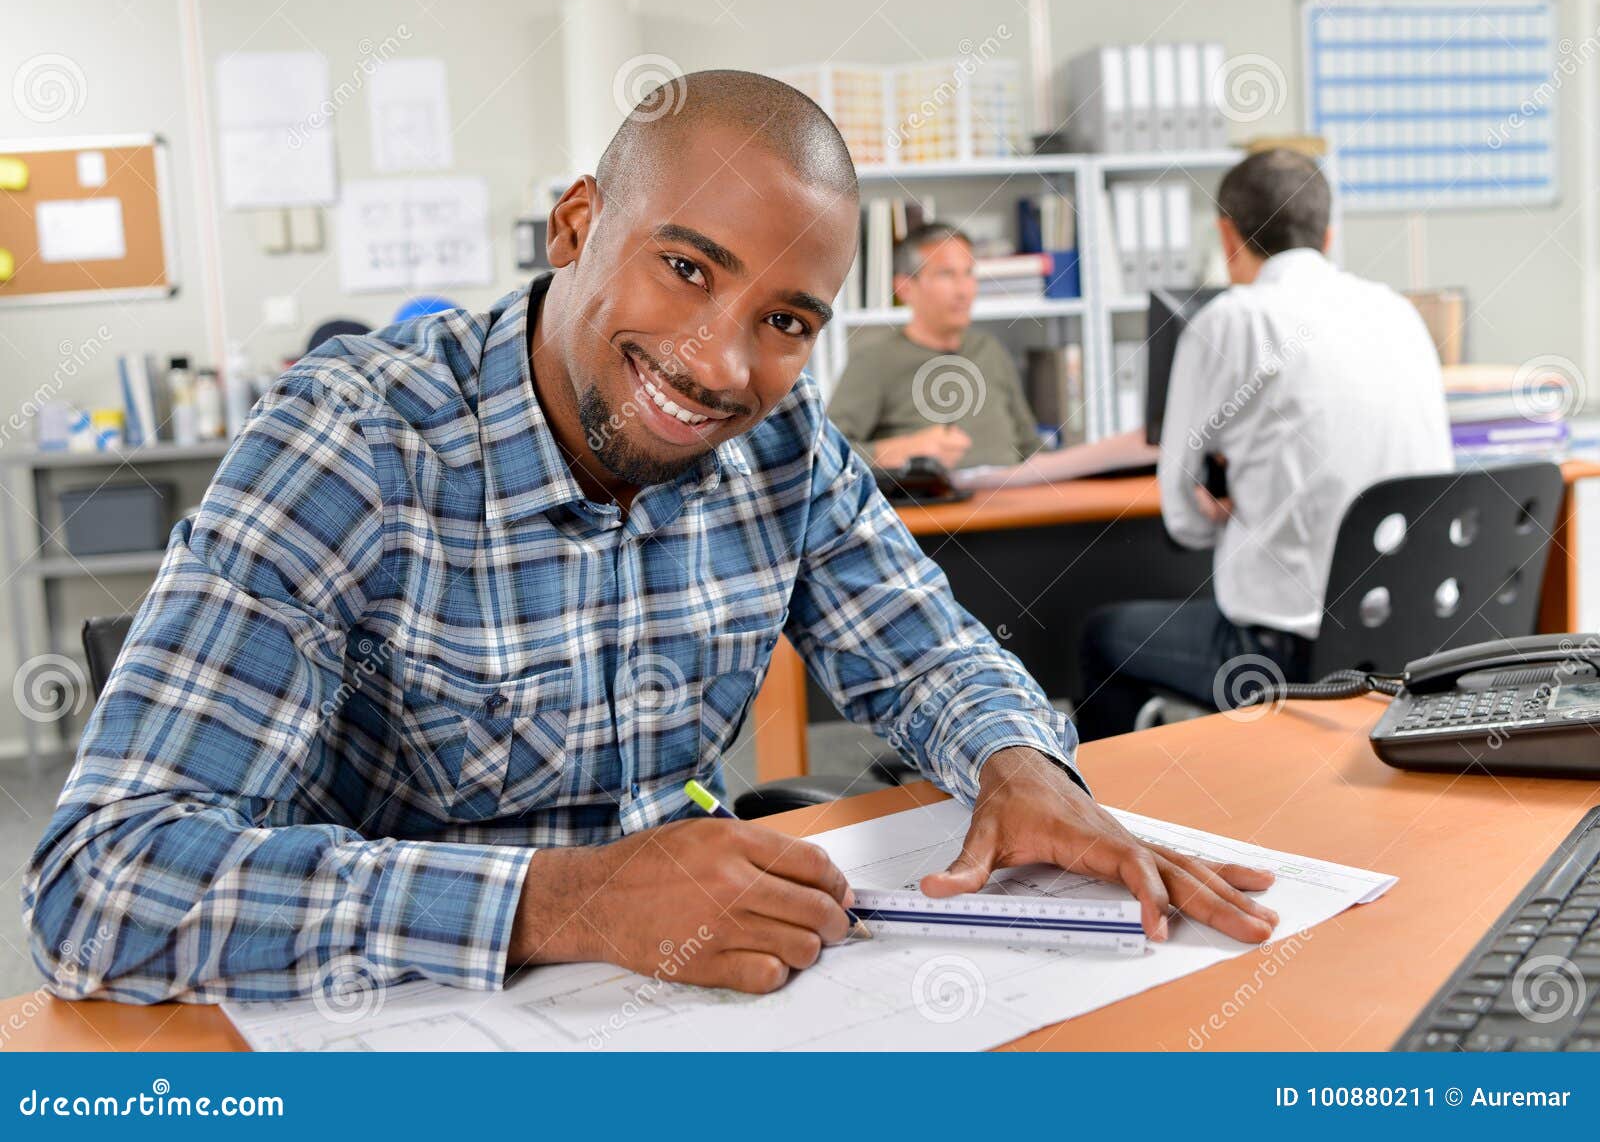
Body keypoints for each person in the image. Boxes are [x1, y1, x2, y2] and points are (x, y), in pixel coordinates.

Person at [25, 71, 1277, 1006]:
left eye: (786, 319)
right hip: (410, 1016)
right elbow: (101, 885)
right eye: (685, 267)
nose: (720, 362)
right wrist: (564, 903)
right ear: (575, 227)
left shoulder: (780, 448)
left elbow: (925, 654)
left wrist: (1021, 770)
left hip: (692, 1009)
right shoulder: (355, 445)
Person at [1076, 148, 1453, 740]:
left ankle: (1115, 825)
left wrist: (1218, 509)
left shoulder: (1233, 319)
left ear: (1228, 235)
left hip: (1287, 660)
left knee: (1102, 635)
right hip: (1414, 643)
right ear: (1327, 234)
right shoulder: (1397, 311)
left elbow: (1183, 523)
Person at [828, 224, 1044, 470]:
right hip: (932, 506)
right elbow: (828, 454)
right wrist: (902, 450)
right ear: (905, 288)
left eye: (969, 273)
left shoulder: (990, 349)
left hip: (1018, 502)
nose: (964, 290)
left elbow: (1031, 447)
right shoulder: (873, 361)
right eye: (946, 275)